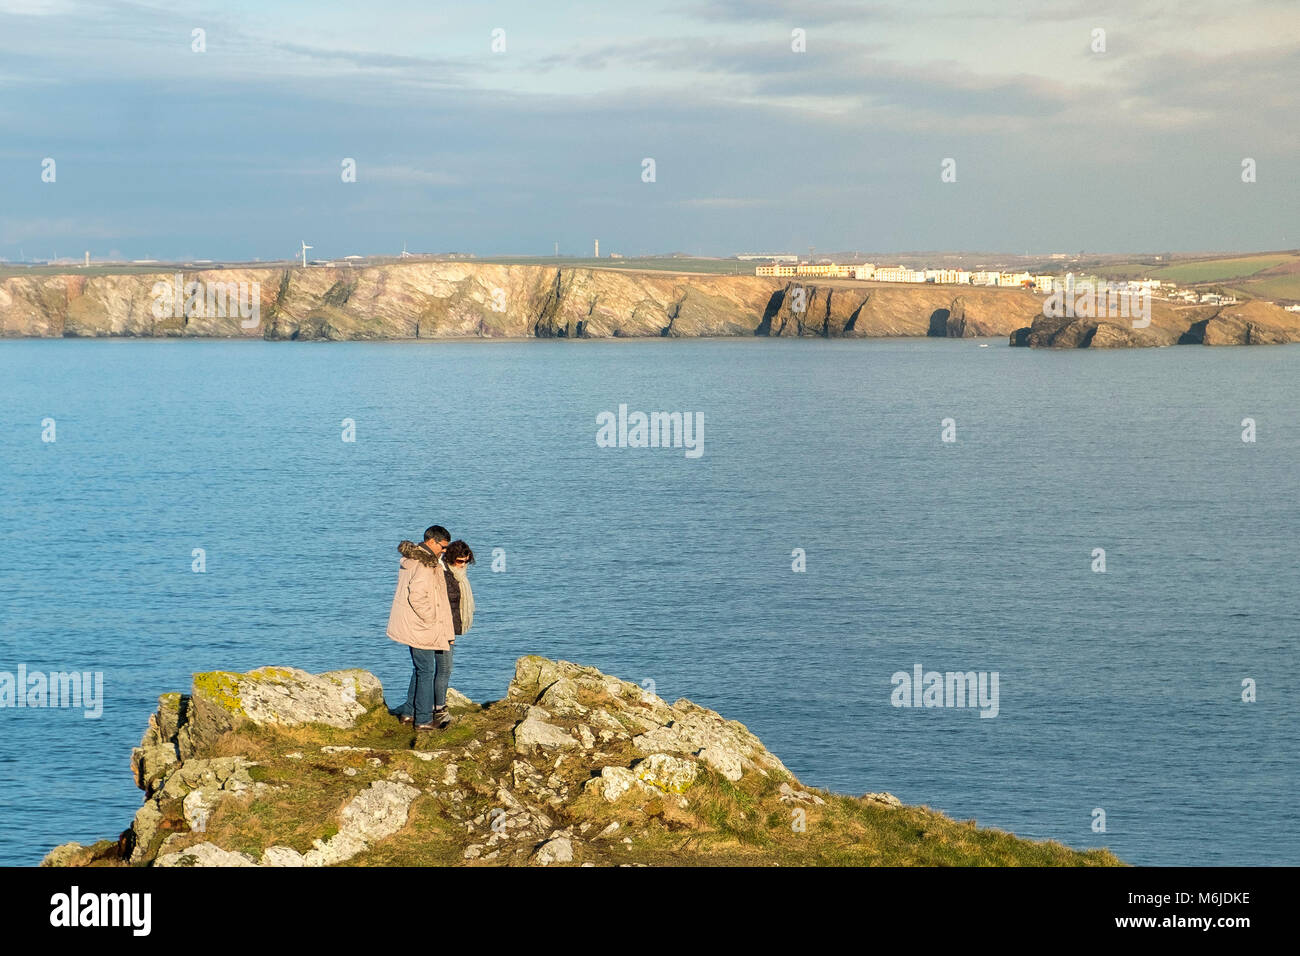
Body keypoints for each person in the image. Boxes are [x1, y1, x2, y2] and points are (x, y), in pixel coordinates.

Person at [386, 525, 454, 731]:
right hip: (422, 626)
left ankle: (409, 712)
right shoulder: (425, 564)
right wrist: (431, 619)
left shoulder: (412, 559)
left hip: (412, 624)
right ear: (432, 541)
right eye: (442, 547)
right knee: (426, 671)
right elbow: (417, 596)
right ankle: (423, 719)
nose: (444, 551)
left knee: (419, 669)